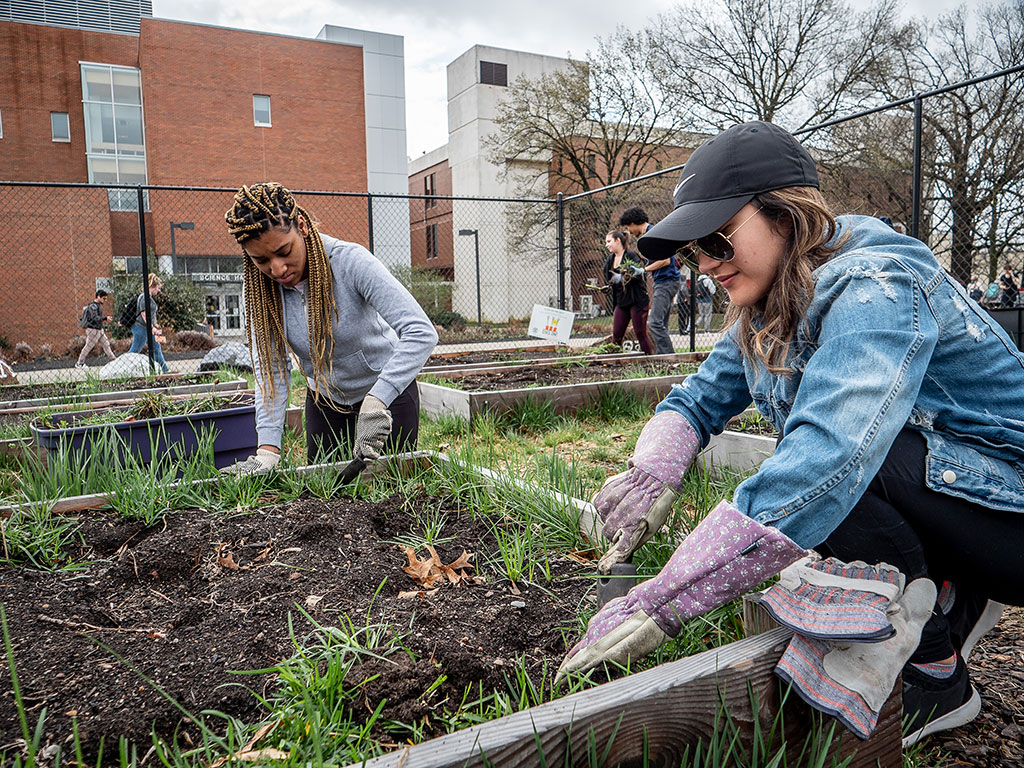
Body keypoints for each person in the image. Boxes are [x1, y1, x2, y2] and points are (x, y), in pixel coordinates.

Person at [559, 122, 1023, 747]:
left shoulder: (875, 285)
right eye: (697, 249)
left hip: (1010, 511)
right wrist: (652, 475)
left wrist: (669, 595)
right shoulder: (768, 304)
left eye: (720, 240)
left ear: (789, 214)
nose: (708, 264)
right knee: (833, 476)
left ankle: (933, 664)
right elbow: (697, 400)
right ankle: (945, 633)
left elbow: (831, 456)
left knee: (842, 467)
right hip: (965, 492)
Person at [220, 182, 438, 474]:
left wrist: (378, 397)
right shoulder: (259, 290)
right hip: (326, 401)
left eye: (284, 251)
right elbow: (271, 370)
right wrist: (268, 449)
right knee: (327, 498)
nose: (278, 269)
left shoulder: (350, 262)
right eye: (262, 260)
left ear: (302, 226)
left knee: (392, 491)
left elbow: (420, 331)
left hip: (387, 397)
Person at [620, 207, 680, 355]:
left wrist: (643, 270)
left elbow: (665, 260)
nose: (630, 232)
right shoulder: (651, 233)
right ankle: (663, 356)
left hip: (666, 281)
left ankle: (669, 358)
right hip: (664, 281)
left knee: (655, 323)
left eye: (628, 228)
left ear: (633, 223)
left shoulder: (652, 234)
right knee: (661, 323)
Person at [603, 230, 653, 355]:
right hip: (622, 302)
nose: (606, 245)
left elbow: (638, 276)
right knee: (617, 334)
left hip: (637, 301)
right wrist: (608, 286)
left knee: (640, 332)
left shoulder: (631, 256)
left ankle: (650, 359)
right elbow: (609, 279)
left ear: (618, 240)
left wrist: (623, 277)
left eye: (609, 241)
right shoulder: (610, 260)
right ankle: (615, 360)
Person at [127, 274, 170, 373]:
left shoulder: (148, 297)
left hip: (146, 328)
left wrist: (154, 326)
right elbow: (144, 314)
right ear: (153, 286)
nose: (159, 290)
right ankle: (123, 368)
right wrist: (152, 328)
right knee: (135, 351)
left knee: (156, 348)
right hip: (141, 328)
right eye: (158, 288)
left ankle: (164, 370)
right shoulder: (144, 296)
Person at [76, 289, 116, 368]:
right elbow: (95, 318)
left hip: (99, 330)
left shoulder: (97, 306)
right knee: (88, 346)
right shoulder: (93, 306)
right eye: (104, 298)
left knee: (106, 344)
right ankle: (79, 362)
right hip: (93, 330)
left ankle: (114, 361)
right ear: (98, 297)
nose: (105, 300)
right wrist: (105, 319)